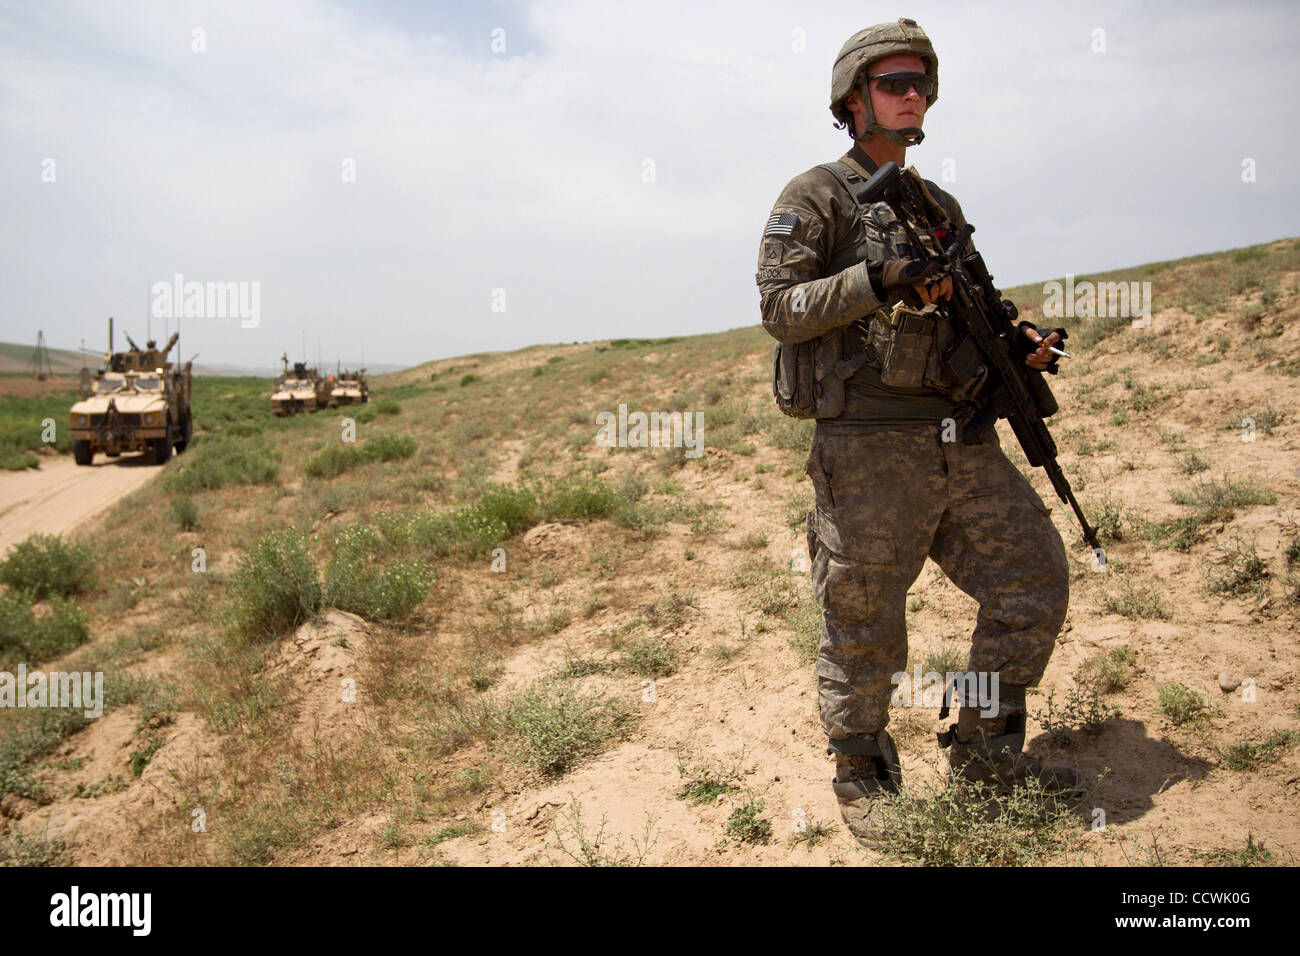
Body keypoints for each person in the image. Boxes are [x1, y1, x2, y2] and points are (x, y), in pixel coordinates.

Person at [756, 18, 1078, 849]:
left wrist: (1021, 341)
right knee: (863, 619)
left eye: (921, 84)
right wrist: (878, 277)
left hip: (962, 441)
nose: (912, 96)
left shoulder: (939, 205)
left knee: (1033, 577)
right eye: (894, 83)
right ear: (854, 97)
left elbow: (976, 303)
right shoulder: (817, 196)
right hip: (866, 450)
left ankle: (984, 749)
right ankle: (862, 767)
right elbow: (780, 310)